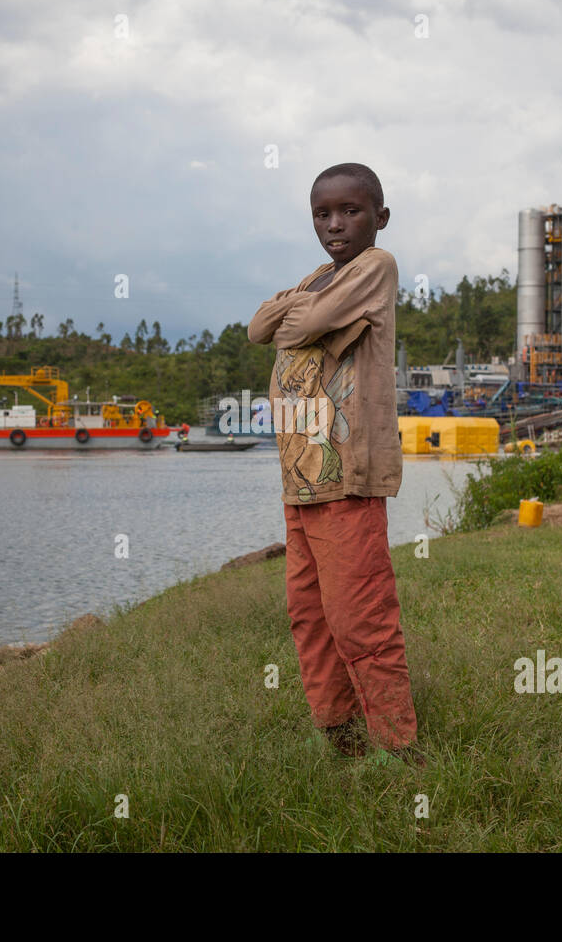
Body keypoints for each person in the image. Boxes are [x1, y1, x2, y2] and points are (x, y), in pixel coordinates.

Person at [248, 163, 420, 764]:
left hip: (346, 477)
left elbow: (304, 322)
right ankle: (340, 736)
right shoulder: (321, 274)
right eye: (322, 214)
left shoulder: (377, 266)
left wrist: (297, 312)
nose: (335, 224)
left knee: (360, 615)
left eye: (350, 211)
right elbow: (258, 328)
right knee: (310, 615)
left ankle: (397, 747)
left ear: (380, 216)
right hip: (300, 481)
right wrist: (295, 310)